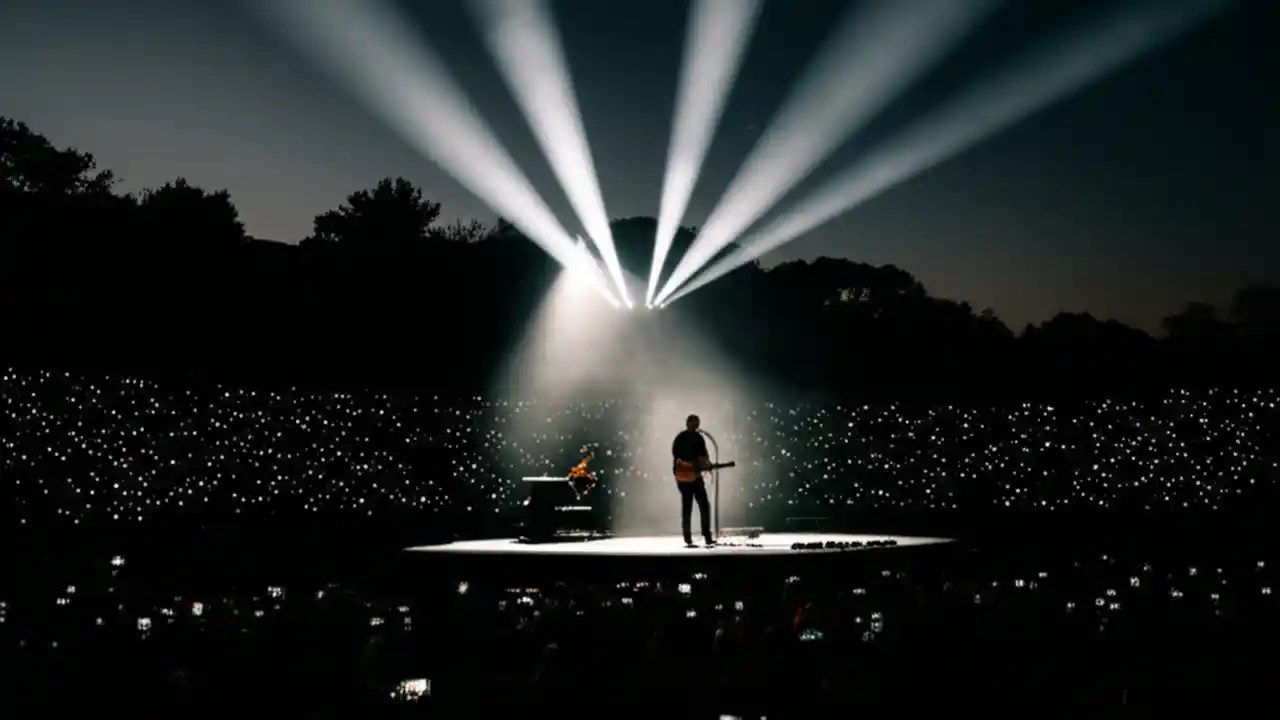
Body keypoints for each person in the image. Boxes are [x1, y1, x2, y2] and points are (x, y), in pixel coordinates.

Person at [672, 414, 715, 547]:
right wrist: (700, 464)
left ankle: (692, 537)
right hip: (689, 476)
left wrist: (704, 464)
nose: (697, 426)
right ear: (690, 423)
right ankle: (702, 536)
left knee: (690, 506)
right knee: (699, 506)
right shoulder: (691, 438)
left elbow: (677, 454)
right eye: (695, 423)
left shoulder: (684, 437)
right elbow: (699, 455)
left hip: (686, 476)